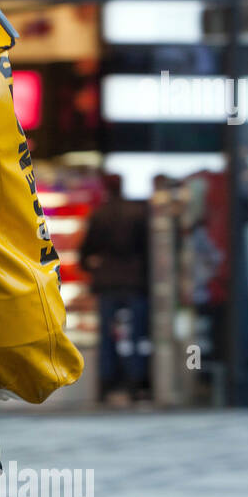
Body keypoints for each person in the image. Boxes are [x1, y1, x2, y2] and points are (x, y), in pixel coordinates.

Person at [79, 173, 152, 404]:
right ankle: (136, 382)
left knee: (107, 338)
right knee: (136, 335)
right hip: (134, 282)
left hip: (107, 281)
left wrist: (90, 266)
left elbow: (86, 249)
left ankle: (106, 384)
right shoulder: (139, 213)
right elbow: (148, 250)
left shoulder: (99, 214)